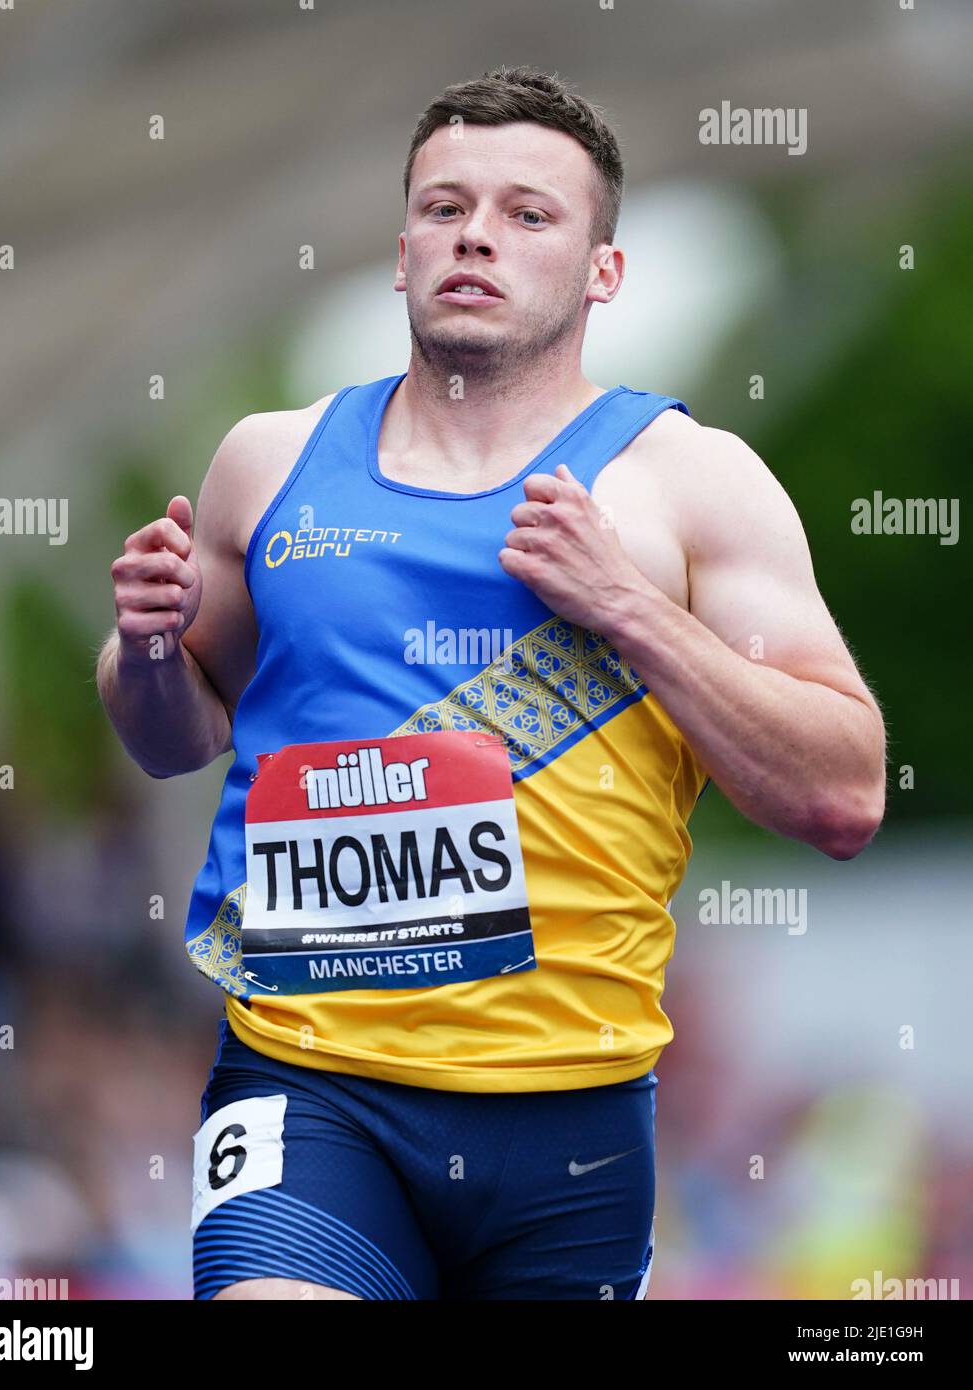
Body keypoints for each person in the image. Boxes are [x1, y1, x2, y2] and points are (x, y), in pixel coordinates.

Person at [96, 65, 886, 1301]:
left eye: (528, 215)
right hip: (310, 1083)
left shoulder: (689, 482)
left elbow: (841, 795)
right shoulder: (269, 461)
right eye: (445, 207)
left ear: (600, 271)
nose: (477, 235)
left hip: (570, 1119)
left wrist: (630, 611)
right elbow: (172, 736)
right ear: (401, 249)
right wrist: (145, 645)